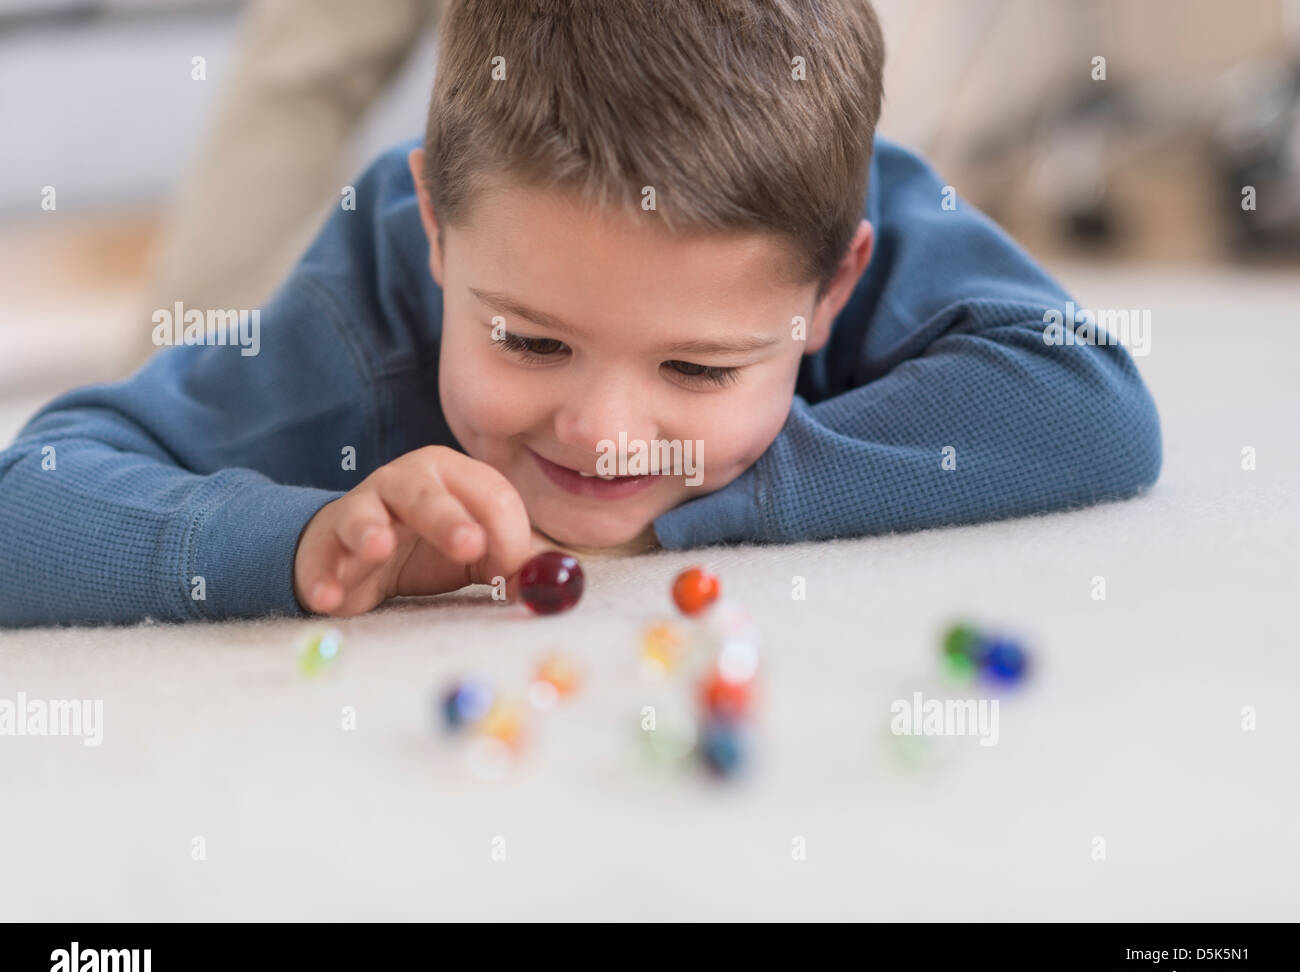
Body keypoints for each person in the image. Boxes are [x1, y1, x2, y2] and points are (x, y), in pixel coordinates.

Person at [0, 0, 1160, 626]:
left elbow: (1095, 406)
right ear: (439, 233)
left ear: (834, 289)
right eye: (531, 340)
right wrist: (294, 536)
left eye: (698, 369)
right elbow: (29, 508)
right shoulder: (366, 312)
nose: (607, 437)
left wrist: (721, 503)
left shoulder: (835, 202)